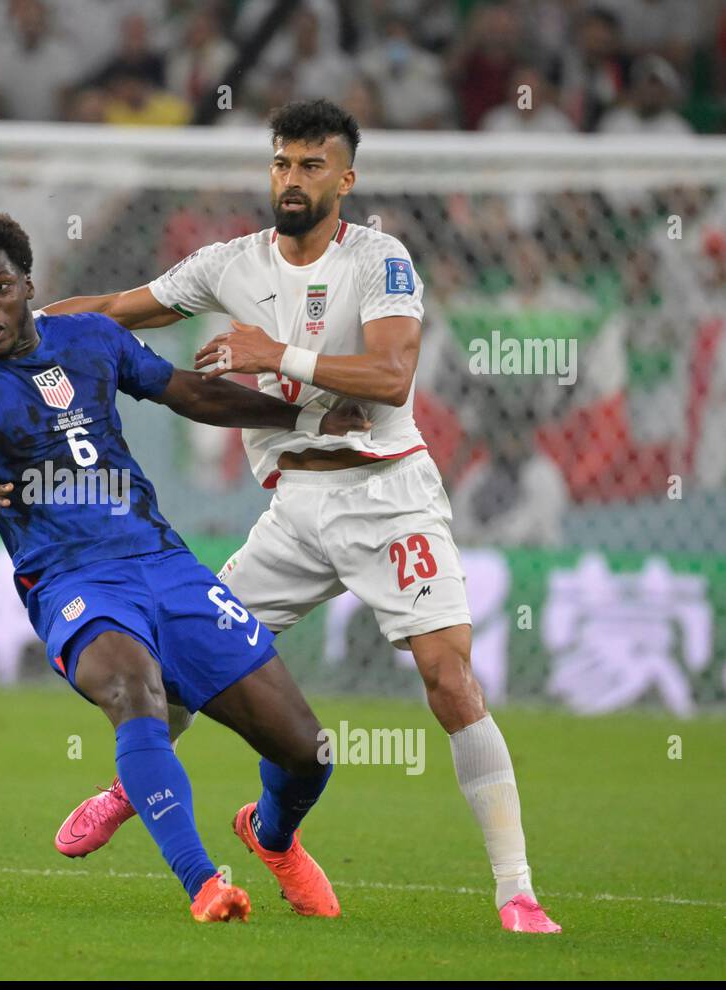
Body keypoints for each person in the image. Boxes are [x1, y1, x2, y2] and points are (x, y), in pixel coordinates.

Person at [40, 99, 561, 934]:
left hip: (389, 497)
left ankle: (516, 890)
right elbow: (118, 306)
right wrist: (16, 329)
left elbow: (390, 376)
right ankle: (130, 789)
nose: (292, 178)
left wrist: (273, 353)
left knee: (448, 677)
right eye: (282, 162)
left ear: (345, 179)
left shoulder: (380, 260)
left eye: (312, 165)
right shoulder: (230, 264)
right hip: (293, 510)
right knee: (181, 667)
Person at [0, 209, 371, 921]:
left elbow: (190, 391)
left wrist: (306, 419)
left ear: (29, 286)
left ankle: (272, 836)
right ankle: (205, 884)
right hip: (71, 582)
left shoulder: (91, 338)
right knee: (132, 692)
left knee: (309, 751)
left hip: (163, 562)